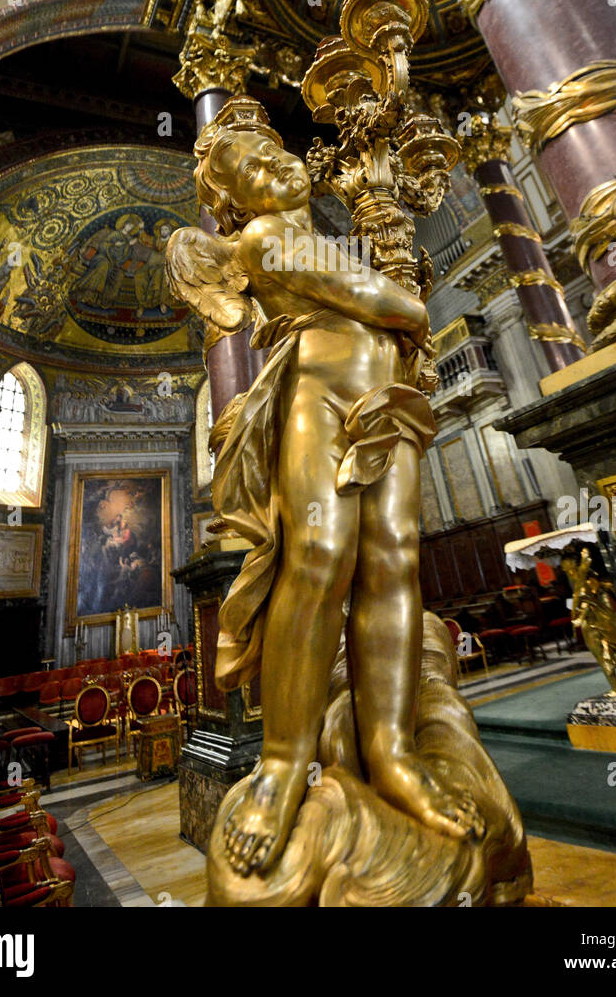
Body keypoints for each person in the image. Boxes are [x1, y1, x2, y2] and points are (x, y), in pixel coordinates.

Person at [166, 101, 478, 879]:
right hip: (321, 398)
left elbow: (386, 304)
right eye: (249, 173)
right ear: (238, 205)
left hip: (386, 403)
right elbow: (388, 304)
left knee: (395, 562)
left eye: (272, 154)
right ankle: (279, 765)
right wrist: (404, 303)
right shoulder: (271, 240)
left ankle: (396, 754)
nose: (272, 167)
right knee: (319, 557)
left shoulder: (325, 234)